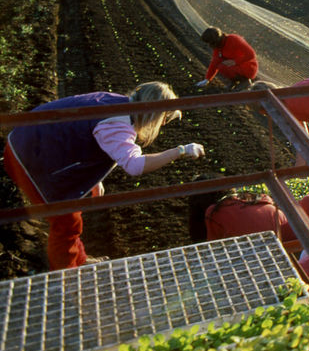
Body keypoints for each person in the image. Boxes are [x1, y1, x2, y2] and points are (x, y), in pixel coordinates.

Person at [3, 82, 204, 270]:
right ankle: (65, 277)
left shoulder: (113, 100)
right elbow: (134, 165)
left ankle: (79, 260)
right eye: (163, 119)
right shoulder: (118, 124)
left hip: (22, 142)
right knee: (65, 224)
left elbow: (86, 137)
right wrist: (180, 151)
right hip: (29, 161)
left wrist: (96, 180)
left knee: (72, 217)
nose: (161, 125)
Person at [187, 184, 309, 243]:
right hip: (288, 236)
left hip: (277, 241)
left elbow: (213, 246)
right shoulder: (251, 198)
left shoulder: (213, 213)